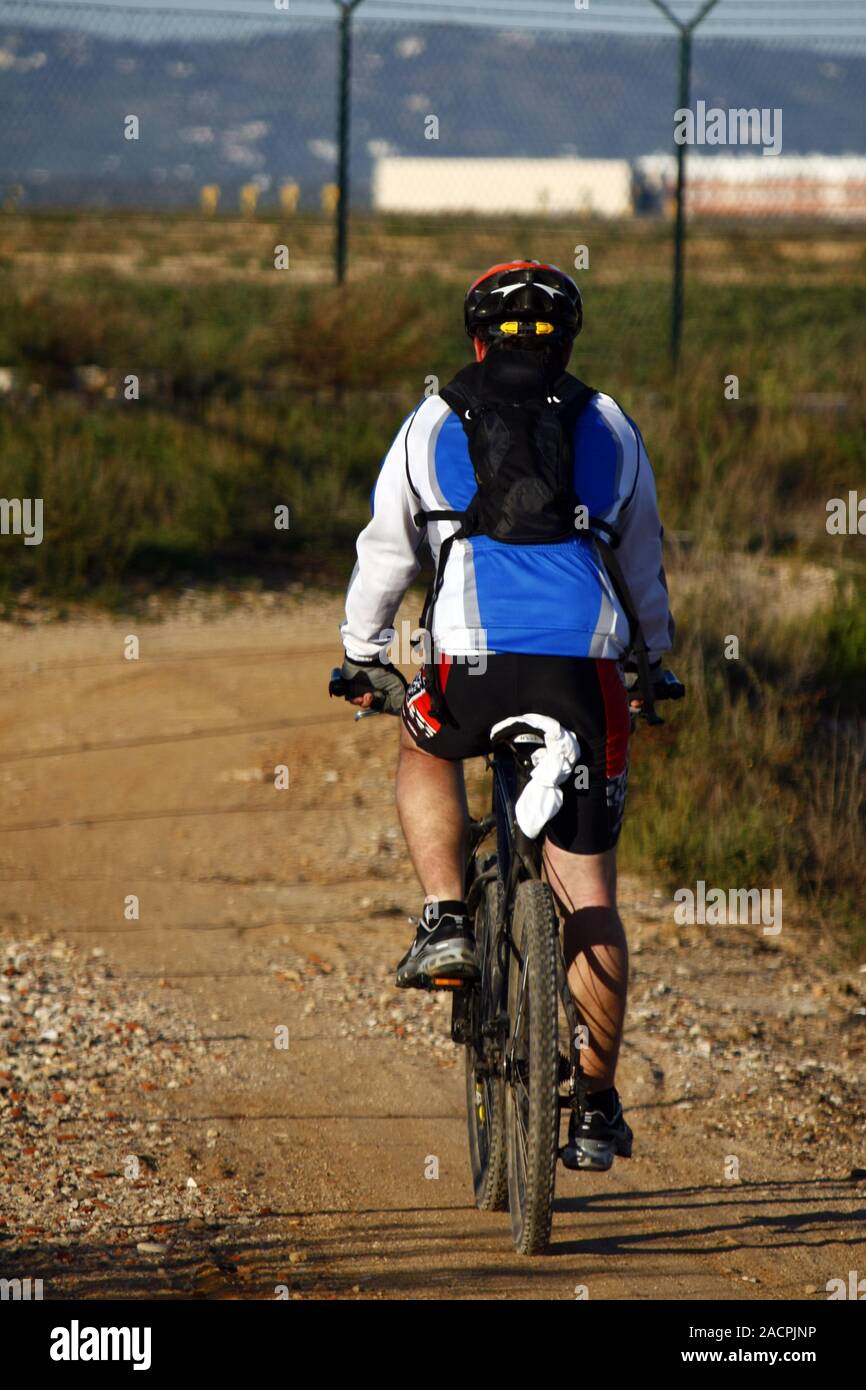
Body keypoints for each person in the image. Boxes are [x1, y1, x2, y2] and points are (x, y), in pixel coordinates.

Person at [334, 260, 676, 1171]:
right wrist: (656, 660)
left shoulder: (434, 419)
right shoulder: (610, 425)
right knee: (590, 893)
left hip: (472, 657)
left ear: (475, 338)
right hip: (585, 663)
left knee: (424, 744)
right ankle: (596, 1107)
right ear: (568, 340)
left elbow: (386, 549)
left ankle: (447, 914)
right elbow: (642, 562)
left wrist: (363, 650)